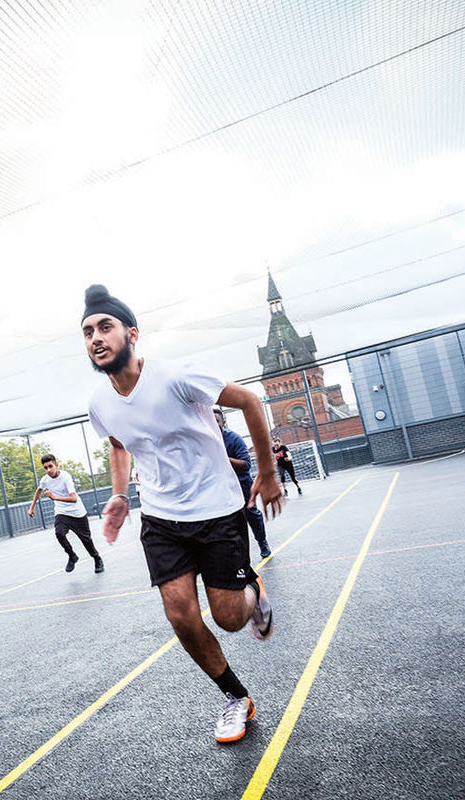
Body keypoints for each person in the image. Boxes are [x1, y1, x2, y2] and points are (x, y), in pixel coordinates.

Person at [81, 284, 282, 744]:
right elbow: (118, 445)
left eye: (105, 327)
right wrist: (119, 495)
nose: (96, 337)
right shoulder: (99, 402)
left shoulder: (176, 376)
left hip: (217, 510)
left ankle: (253, 591)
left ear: (132, 334)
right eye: (88, 332)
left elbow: (250, 401)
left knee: (228, 617)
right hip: (161, 518)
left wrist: (268, 472)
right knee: (181, 616)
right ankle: (236, 698)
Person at [28, 455, 105, 574]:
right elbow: (39, 490)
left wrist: (54, 497)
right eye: (46, 468)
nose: (48, 470)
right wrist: (32, 507)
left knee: (86, 540)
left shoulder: (65, 477)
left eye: (50, 466)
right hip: (62, 512)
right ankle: (72, 556)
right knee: (59, 533)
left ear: (56, 465)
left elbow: (73, 498)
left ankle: (97, 558)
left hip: (77, 513)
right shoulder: (45, 480)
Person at [214, 407, 272, 559]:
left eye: (217, 421)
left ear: (223, 422)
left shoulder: (234, 439)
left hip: (241, 483)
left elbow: (246, 464)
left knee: (251, 514)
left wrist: (224, 459)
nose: (213, 424)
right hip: (220, 485)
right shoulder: (205, 441)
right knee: (226, 520)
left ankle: (262, 542)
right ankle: (236, 554)